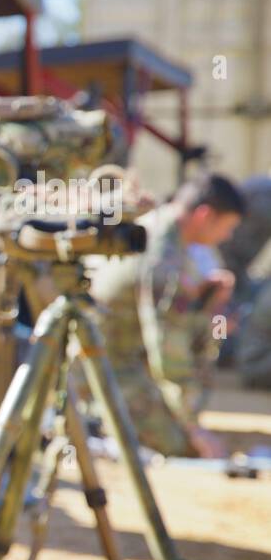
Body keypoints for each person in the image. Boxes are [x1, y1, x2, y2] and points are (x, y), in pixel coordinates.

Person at [91, 173, 247, 457]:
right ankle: (94, 420)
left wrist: (216, 310)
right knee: (181, 447)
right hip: (107, 369)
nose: (228, 236)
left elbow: (211, 325)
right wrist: (192, 430)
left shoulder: (179, 240)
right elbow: (168, 355)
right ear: (204, 215)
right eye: (228, 227)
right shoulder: (161, 253)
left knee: (212, 334)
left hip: (130, 360)